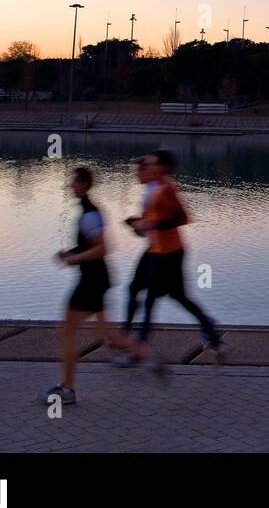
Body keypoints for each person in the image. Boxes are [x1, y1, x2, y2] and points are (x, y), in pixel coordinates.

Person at [41, 167, 152, 404]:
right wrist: (71, 253)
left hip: (91, 281)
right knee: (105, 332)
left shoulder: (89, 214)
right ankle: (149, 359)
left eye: (73, 182)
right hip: (100, 279)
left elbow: (102, 248)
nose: (70, 186)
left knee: (67, 331)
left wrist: (73, 259)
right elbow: (91, 246)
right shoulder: (91, 210)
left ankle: (67, 389)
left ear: (83, 184)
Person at [132, 149, 230, 363]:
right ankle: (212, 335)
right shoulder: (156, 189)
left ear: (163, 168)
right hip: (161, 251)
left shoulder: (167, 189)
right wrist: (138, 224)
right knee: (178, 297)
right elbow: (151, 220)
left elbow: (183, 218)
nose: (148, 167)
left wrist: (152, 224)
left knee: (150, 300)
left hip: (169, 253)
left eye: (152, 164)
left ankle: (138, 350)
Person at [112, 155, 158, 367]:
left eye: (139, 171)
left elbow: (157, 223)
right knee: (139, 292)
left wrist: (138, 224)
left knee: (143, 295)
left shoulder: (154, 191)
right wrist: (137, 225)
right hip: (155, 250)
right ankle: (130, 339)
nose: (136, 175)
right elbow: (149, 226)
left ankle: (134, 347)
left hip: (159, 252)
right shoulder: (149, 191)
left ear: (148, 171)